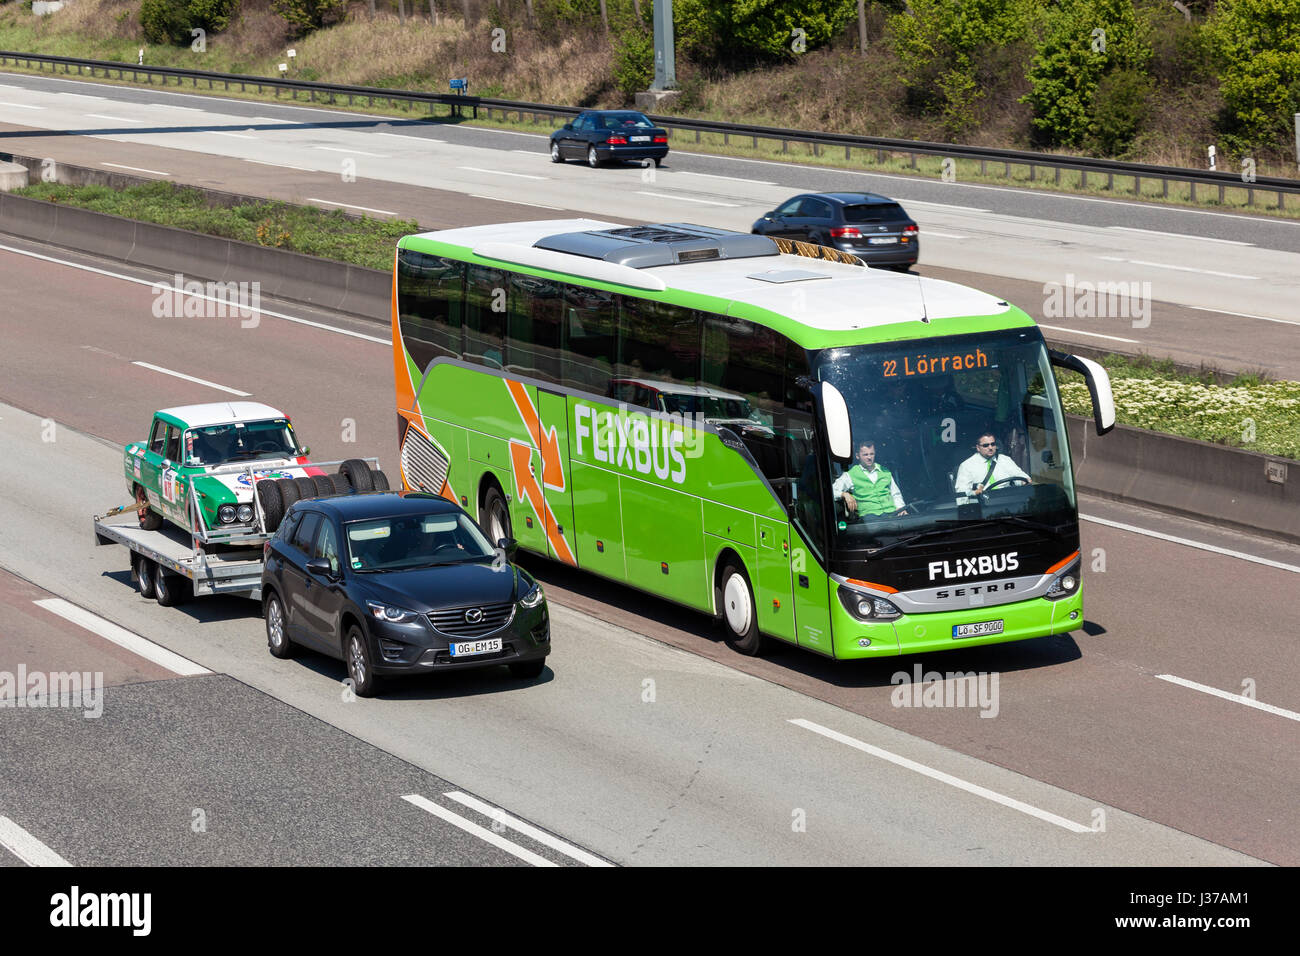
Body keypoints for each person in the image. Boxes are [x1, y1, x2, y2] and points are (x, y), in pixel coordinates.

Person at [833, 442, 908, 517]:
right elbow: (832, 491)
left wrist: (901, 508)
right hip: (869, 520)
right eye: (865, 455)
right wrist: (844, 494)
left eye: (871, 454)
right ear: (857, 456)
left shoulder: (885, 471)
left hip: (892, 514)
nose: (869, 457)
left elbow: (895, 494)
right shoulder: (850, 474)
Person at [954, 432, 1031, 496]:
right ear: (978, 448)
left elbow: (1020, 476)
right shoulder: (967, 466)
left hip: (1008, 498)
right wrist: (975, 492)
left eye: (993, 444)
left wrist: (1023, 481)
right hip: (984, 504)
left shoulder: (1005, 460)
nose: (990, 447)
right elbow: (962, 492)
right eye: (985, 445)